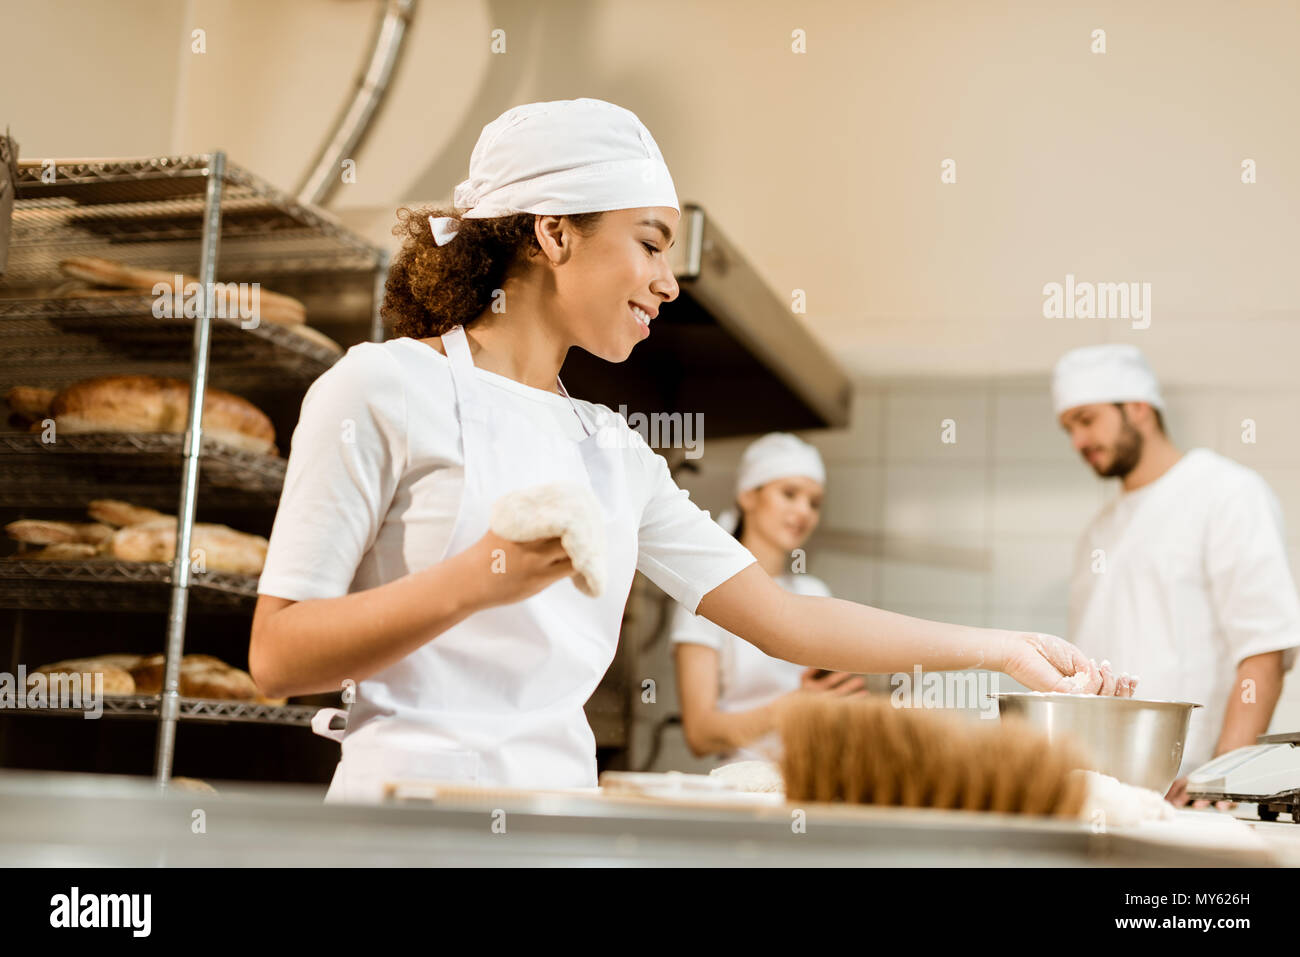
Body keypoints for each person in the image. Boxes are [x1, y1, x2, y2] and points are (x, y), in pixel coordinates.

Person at [249, 97, 1127, 804]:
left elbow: (786, 619)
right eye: (649, 244)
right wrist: (480, 575)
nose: (668, 282)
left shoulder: (613, 452)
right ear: (555, 233)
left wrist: (1000, 647)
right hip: (403, 829)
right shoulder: (379, 390)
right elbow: (278, 656)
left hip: (559, 825)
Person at [1053, 344, 1300, 804]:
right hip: (1106, 793)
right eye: (1067, 428)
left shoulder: (1225, 493)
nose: (1077, 442)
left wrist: (1219, 783)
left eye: (1086, 420)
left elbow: (1264, 649)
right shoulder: (1097, 531)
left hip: (1190, 795)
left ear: (1139, 407)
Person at [673, 432, 867, 766]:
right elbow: (700, 734)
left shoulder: (815, 594)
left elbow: (828, 703)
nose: (803, 511)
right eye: (789, 494)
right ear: (748, 496)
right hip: (742, 793)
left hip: (812, 783)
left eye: (814, 502)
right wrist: (792, 708)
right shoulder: (706, 596)